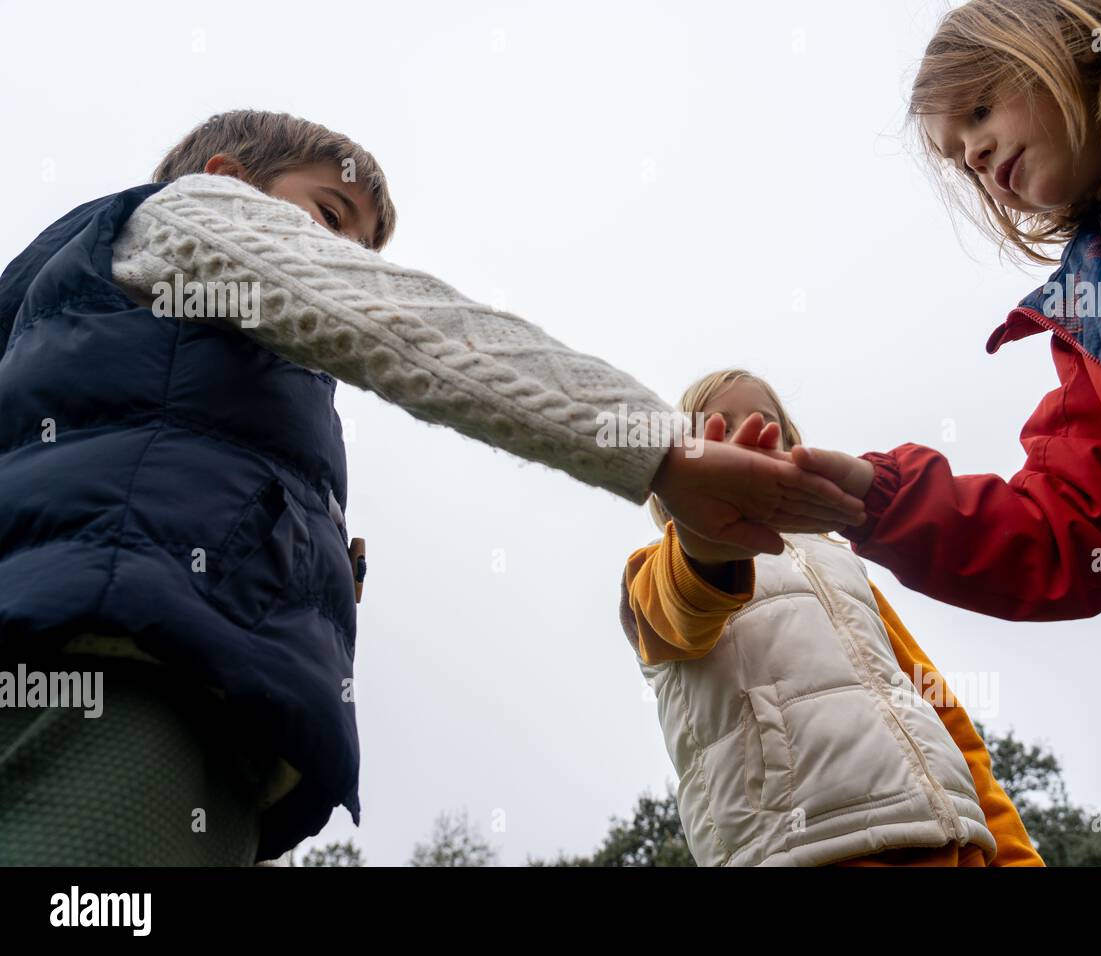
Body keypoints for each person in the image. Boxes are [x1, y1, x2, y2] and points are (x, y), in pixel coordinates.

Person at [0, 111, 865, 864]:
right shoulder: (187, 213)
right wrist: (663, 452)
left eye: (364, 243)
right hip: (114, 670)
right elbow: (396, 319)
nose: (343, 254)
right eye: (330, 215)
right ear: (226, 181)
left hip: (190, 702)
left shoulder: (149, 353)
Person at [786, 0, 1101, 706]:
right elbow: (1068, 529)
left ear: (1066, 42)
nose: (973, 153)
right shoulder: (1099, 317)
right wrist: (874, 500)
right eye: (956, 154)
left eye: (978, 111)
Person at [621, 369, 1043, 866]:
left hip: (950, 839)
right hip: (805, 849)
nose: (749, 438)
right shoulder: (655, 569)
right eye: (718, 428)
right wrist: (705, 542)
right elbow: (681, 608)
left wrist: (1014, 855)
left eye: (765, 423)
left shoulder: (844, 564)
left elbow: (941, 712)